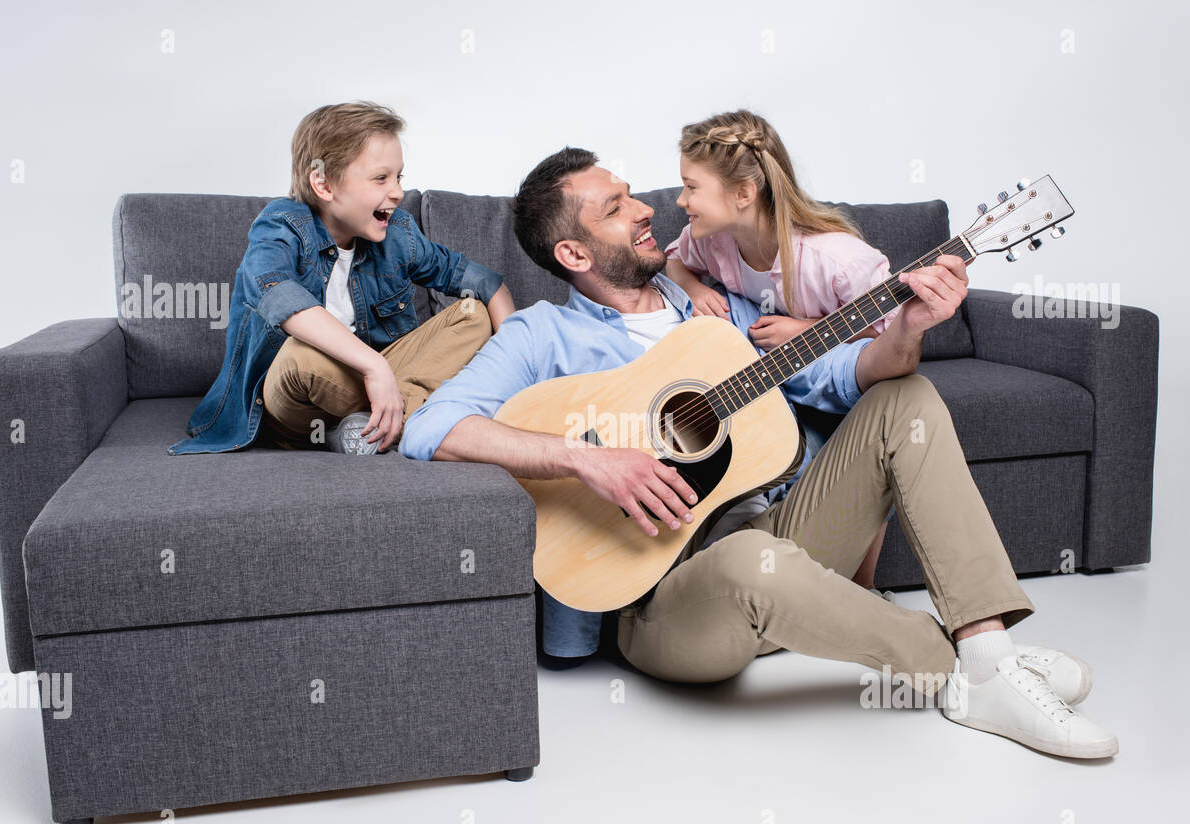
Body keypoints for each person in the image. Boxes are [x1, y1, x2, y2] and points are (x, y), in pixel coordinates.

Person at [400, 146, 1118, 760]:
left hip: (783, 538)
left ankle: (988, 651)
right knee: (749, 563)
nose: (645, 208)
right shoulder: (541, 336)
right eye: (616, 207)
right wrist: (588, 459)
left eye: (631, 194)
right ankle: (965, 667)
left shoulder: (715, 314)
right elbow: (430, 428)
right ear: (574, 254)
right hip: (663, 606)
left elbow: (846, 377)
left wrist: (908, 327)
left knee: (910, 403)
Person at [169, 101, 514, 456]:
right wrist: (374, 365)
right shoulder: (280, 226)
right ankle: (421, 418)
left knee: (474, 313)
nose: (396, 192)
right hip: (304, 396)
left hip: (378, 383)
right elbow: (279, 296)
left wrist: (514, 363)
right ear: (323, 184)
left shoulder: (398, 232)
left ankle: (370, 426)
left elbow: (487, 285)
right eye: (381, 178)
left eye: (399, 177)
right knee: (301, 355)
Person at [664, 109, 896, 591]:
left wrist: (809, 328)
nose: (681, 200)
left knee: (861, 453)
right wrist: (694, 288)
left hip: (843, 386)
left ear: (744, 194)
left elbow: (890, 341)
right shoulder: (715, 241)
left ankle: (864, 589)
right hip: (776, 383)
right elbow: (673, 261)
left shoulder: (837, 260)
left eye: (691, 187)